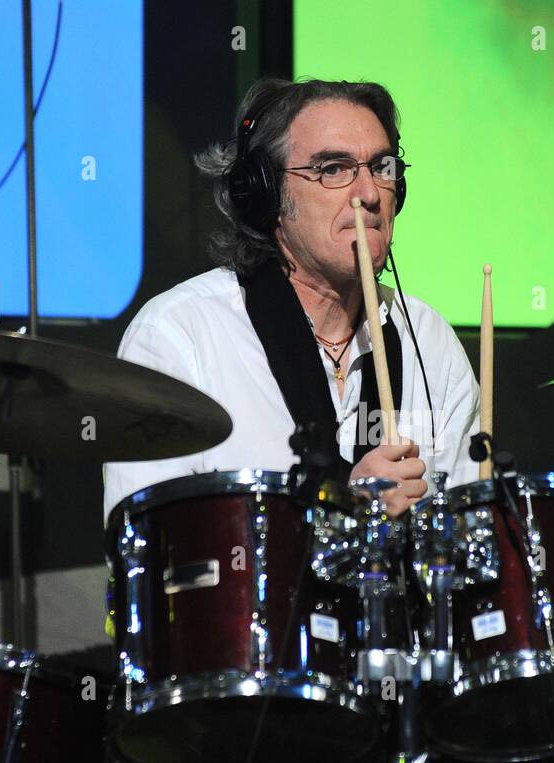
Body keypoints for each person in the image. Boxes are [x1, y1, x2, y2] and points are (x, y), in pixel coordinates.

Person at [102, 77, 480, 521]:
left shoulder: (430, 342)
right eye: (333, 169)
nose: (369, 194)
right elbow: (147, 546)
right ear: (265, 194)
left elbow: (470, 539)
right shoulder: (179, 336)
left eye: (382, 168)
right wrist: (345, 512)